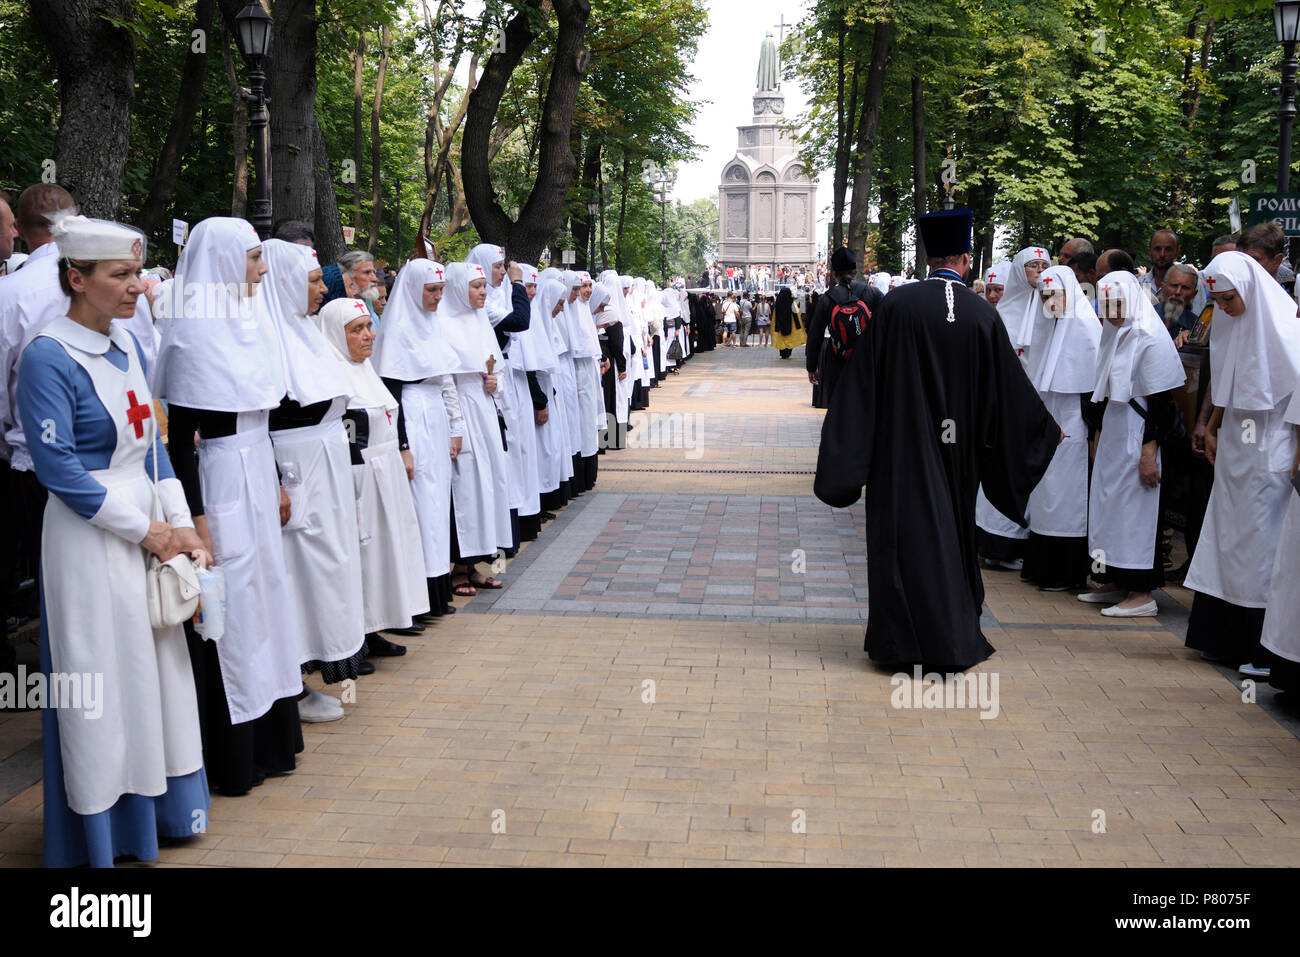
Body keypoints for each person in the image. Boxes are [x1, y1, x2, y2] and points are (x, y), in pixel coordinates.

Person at [18, 213, 209, 867]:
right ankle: (98, 836)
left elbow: (152, 443)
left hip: (144, 523)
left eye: (136, 272)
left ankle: (157, 813)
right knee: (99, 672)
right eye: (120, 274)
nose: (136, 286)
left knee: (153, 670)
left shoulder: (126, 344)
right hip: (87, 540)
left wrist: (180, 522)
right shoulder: (47, 354)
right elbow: (59, 469)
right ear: (77, 277)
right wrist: (149, 530)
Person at [815, 208, 1060, 671]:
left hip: (899, 454)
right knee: (951, 536)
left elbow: (863, 386)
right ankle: (951, 639)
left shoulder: (897, 307)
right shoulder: (982, 315)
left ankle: (898, 645)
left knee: (901, 543)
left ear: (931, 258)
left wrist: (851, 454)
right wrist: (1041, 430)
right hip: (959, 454)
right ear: (966, 259)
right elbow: (1008, 390)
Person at [153, 217, 305, 795]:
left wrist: (276, 481)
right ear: (220, 262)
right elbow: (180, 443)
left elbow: (263, 418)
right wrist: (196, 523)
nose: (262, 269)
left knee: (268, 599)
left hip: (257, 477)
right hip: (217, 482)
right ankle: (234, 755)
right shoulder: (192, 335)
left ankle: (274, 737)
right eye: (252, 259)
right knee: (230, 612)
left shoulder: (255, 324)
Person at [263, 239, 370, 706]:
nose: (321, 292)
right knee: (297, 575)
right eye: (311, 283)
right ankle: (290, 680)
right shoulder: (266, 337)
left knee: (329, 569)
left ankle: (310, 672)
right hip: (295, 468)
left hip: (323, 463)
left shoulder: (302, 331)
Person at [1184, 251, 1300, 675]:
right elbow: (1228, 380)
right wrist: (1212, 424)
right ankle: (1222, 638)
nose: (1226, 309)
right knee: (1228, 542)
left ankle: (1264, 648)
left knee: (1261, 548)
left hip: (1271, 449)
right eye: (1220, 302)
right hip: (1236, 448)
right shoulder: (1231, 323)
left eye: (1231, 299)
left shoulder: (1286, 327)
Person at [315, 297, 431, 641]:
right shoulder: (330, 376)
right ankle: (355, 636)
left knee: (383, 554)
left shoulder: (366, 371)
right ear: (336, 334)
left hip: (385, 472)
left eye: (369, 327)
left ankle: (377, 624)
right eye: (357, 330)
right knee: (361, 554)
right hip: (358, 478)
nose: (368, 336)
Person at [1078, 271, 1187, 617]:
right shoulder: (1115, 334)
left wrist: (1148, 453)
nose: (1111, 312)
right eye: (1106, 305)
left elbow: (1160, 402)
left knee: (1136, 513)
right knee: (1111, 508)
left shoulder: (1150, 338)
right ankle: (1115, 579)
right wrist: (1098, 436)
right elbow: (1104, 392)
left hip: (1140, 436)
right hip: (1115, 431)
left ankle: (1141, 593)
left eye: (1117, 305)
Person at [371, 259, 462, 619]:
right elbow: (392, 391)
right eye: (431, 291)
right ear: (412, 290)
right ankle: (415, 599)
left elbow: (445, 378)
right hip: (412, 414)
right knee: (419, 505)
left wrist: (456, 428)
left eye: (441, 290)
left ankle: (437, 589)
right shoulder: (398, 330)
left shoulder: (433, 325)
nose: (438, 297)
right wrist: (403, 445)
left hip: (435, 416)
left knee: (438, 503)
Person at [1019, 266, 1101, 591]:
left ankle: (1066, 572)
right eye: (1045, 296)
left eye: (1056, 295)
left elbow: (1094, 390)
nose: (1050, 302)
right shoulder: (1046, 327)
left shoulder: (1086, 330)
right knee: (1045, 496)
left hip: (1076, 430)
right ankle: (1041, 568)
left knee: (1069, 501)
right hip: (1048, 426)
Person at [975, 246, 1051, 569]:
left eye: (1042, 265)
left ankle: (1019, 544)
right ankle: (995, 543)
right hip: (1007, 404)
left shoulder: (1052, 308)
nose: (1037, 270)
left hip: (1038, 401)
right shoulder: (1002, 312)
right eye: (1032, 265)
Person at [439, 261, 512, 593]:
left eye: (485, 286)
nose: (484, 292)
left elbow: (492, 361)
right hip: (459, 411)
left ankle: (474, 564)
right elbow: (446, 377)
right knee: (464, 485)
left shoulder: (479, 321)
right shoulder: (443, 322)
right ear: (457, 288)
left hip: (483, 409)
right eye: (476, 286)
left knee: (487, 485)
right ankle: (456, 567)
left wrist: (495, 381)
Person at [466, 244, 539, 546]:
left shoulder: (495, 297)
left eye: (500, 268)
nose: (500, 273)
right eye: (496, 267)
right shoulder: (489, 305)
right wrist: (518, 282)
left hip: (501, 378)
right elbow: (521, 321)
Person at [805, 246, 882, 409]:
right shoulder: (871, 293)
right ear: (855, 271)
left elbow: (815, 335)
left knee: (838, 406)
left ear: (834, 274)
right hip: (867, 358)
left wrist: (812, 367)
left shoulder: (827, 298)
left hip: (837, 358)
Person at [771, 286, 804, 358]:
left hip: (780, 325)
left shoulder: (778, 304)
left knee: (781, 339)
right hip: (790, 325)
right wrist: (798, 325)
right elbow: (797, 314)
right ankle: (788, 352)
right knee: (789, 339)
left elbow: (774, 316)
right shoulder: (792, 302)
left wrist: (774, 326)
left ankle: (782, 353)